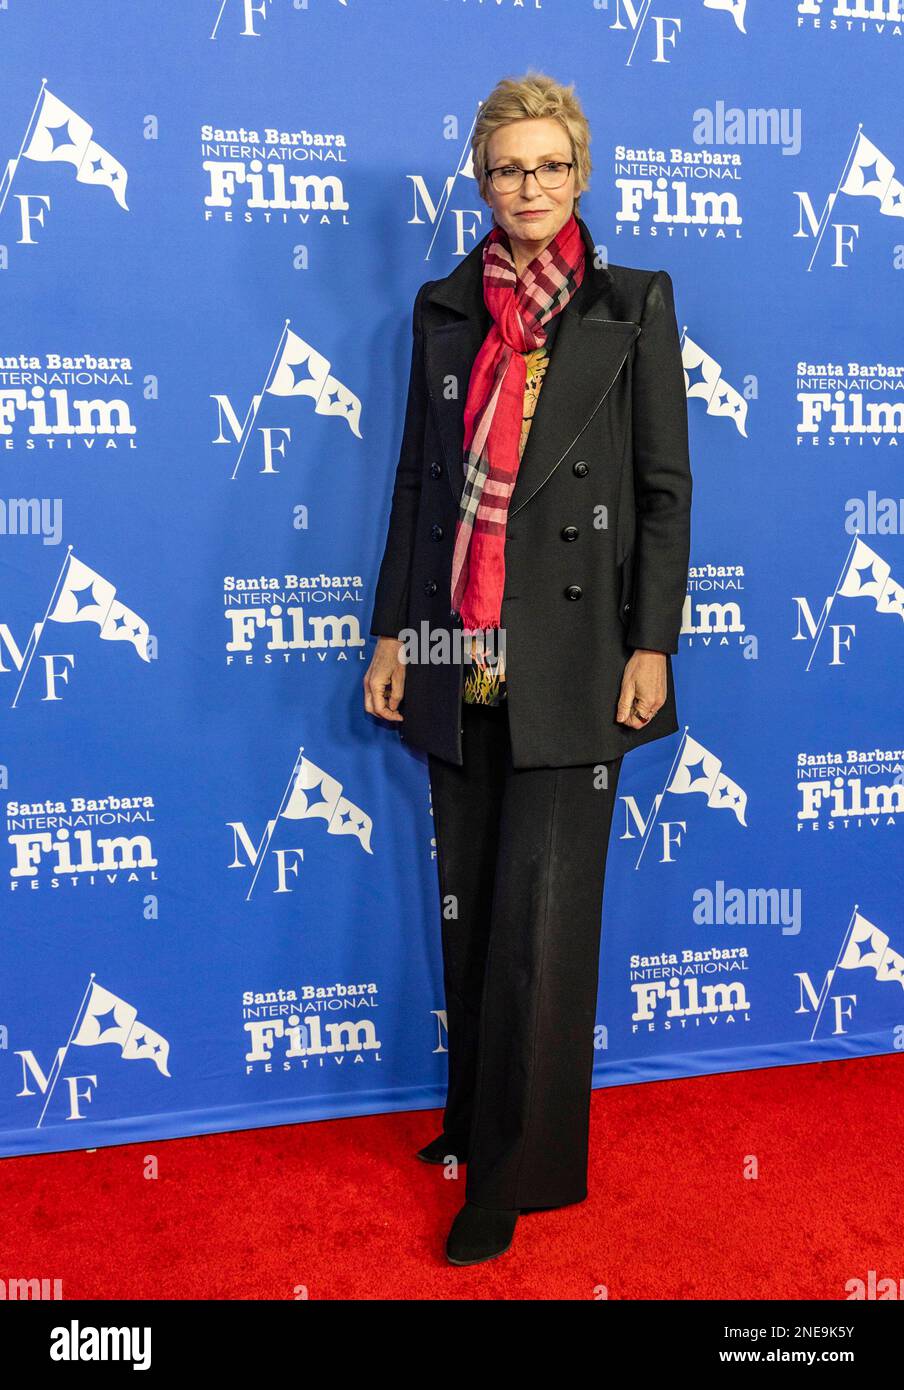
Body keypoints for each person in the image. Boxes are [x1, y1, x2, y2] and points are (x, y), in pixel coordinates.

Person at [364, 70, 692, 1266]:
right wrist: (397, 633)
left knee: (539, 925)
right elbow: (417, 484)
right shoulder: (444, 308)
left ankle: (515, 1172)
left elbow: (664, 488)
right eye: (508, 167)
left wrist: (651, 641)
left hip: (575, 655)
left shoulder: (634, 304)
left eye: (550, 165)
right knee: (474, 899)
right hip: (460, 645)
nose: (530, 186)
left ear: (580, 174)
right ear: (480, 180)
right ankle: (468, 1119)